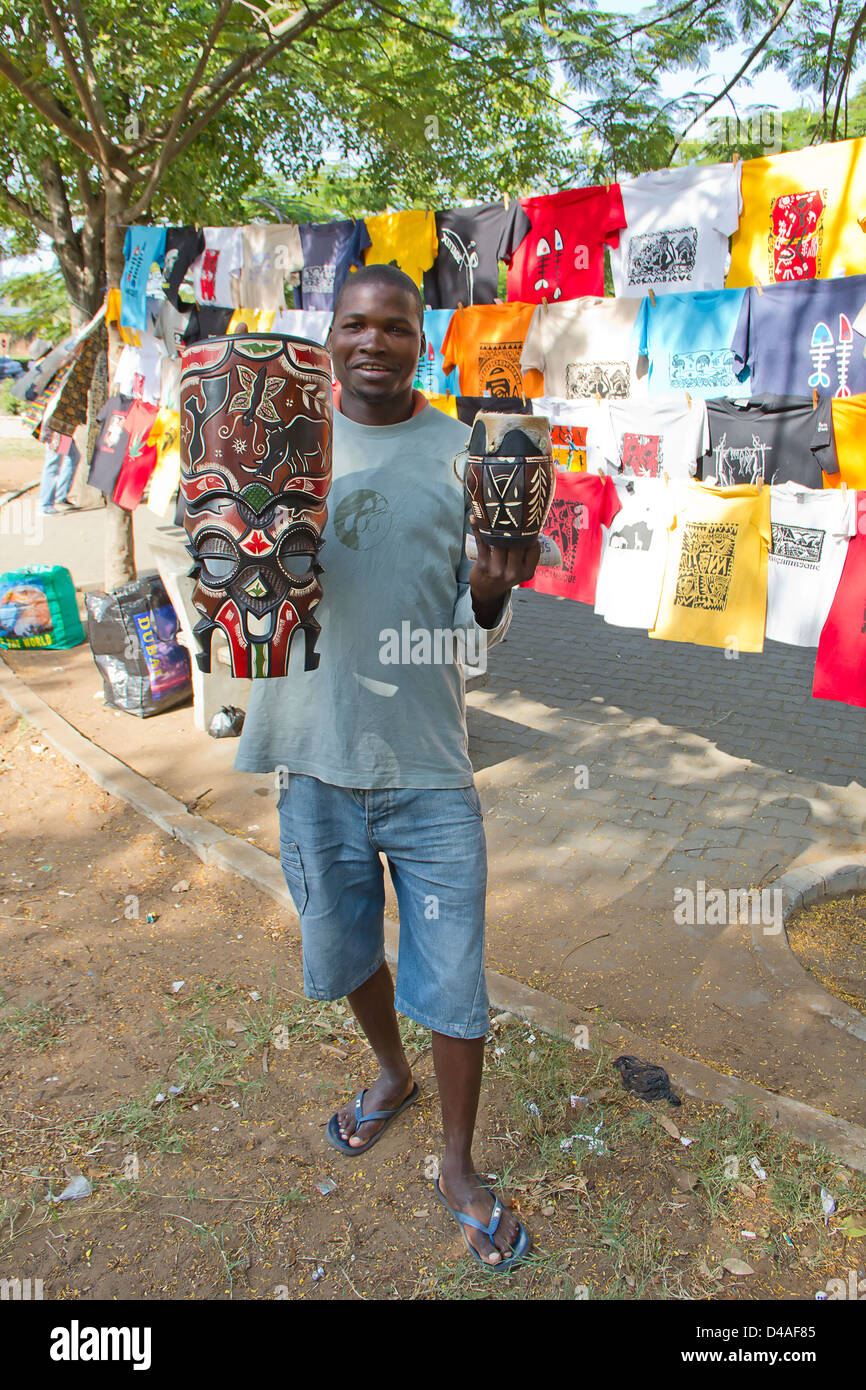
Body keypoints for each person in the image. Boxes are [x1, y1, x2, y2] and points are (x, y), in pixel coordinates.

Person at [235, 264, 541, 1268]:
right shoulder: (279, 442)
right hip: (312, 759)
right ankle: (389, 1072)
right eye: (355, 325)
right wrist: (258, 562)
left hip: (427, 767)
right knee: (346, 948)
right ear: (329, 335)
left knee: (452, 977)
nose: (373, 343)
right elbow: (229, 596)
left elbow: (469, 637)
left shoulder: (467, 456)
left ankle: (457, 1161)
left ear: (424, 339)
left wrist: (489, 598)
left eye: (395, 328)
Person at [39, 430, 80, 514]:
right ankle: (46, 505)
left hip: (62, 429)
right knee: (54, 463)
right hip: (57, 428)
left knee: (73, 456)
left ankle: (60, 496)